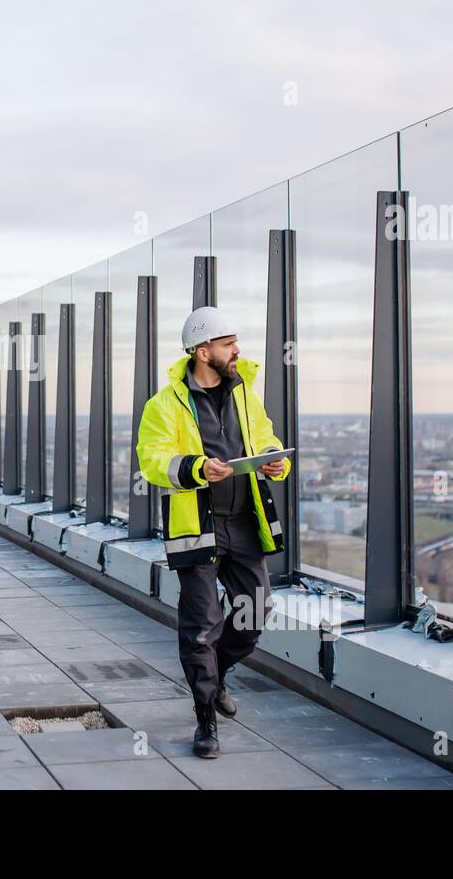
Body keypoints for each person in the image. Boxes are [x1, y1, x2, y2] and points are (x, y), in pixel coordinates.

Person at [135, 306, 291, 758]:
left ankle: (216, 678)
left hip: (244, 522)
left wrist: (275, 458)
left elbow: (264, 438)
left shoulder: (245, 394)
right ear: (203, 351)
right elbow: (153, 461)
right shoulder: (163, 405)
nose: (237, 350)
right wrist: (199, 468)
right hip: (197, 529)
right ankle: (205, 719)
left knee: (254, 613)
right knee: (200, 627)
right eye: (228, 344)